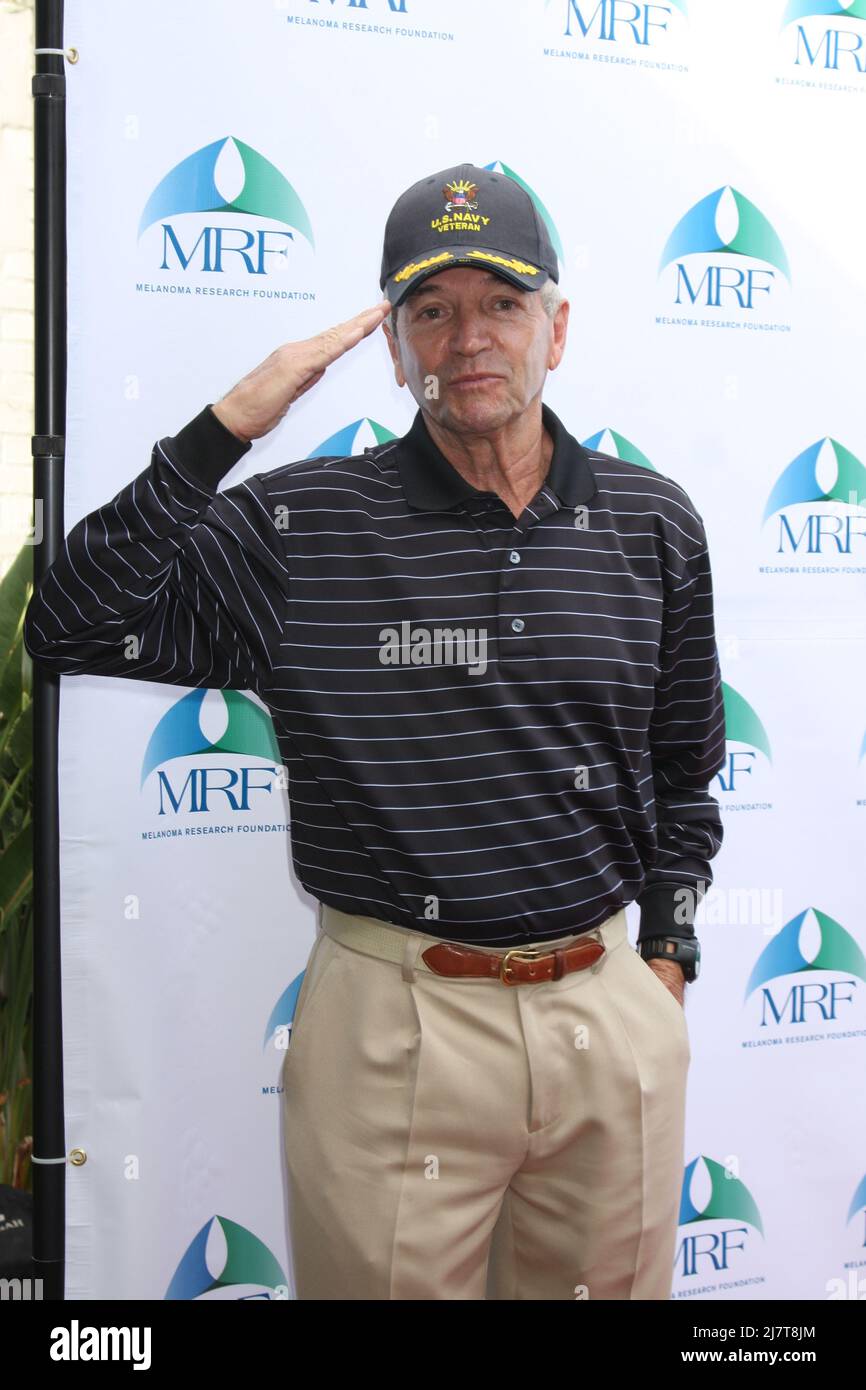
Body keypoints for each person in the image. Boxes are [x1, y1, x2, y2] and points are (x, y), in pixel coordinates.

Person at [24, 162, 726, 1300]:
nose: (468, 340)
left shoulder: (651, 521)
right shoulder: (300, 524)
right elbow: (65, 623)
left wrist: (665, 957)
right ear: (395, 348)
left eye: (500, 303)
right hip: (395, 1034)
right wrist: (223, 429)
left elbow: (684, 771)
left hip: (609, 1014)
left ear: (559, 326)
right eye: (431, 312)